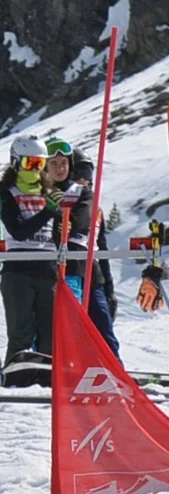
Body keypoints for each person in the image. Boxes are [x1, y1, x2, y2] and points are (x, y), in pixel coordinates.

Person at [44, 137, 120, 358]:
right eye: (81, 173)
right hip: (61, 268)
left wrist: (110, 289)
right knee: (65, 329)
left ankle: (114, 369)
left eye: (89, 173)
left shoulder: (92, 205)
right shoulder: (52, 195)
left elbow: (101, 248)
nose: (85, 179)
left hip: (90, 272)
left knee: (103, 329)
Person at [1, 136, 60, 364]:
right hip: (18, 270)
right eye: (30, 164)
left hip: (47, 269)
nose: (36, 169)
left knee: (49, 335)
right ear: (16, 162)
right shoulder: (7, 194)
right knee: (21, 333)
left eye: (40, 163)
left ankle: (46, 380)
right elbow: (18, 231)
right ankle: (14, 383)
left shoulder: (48, 192)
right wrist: (49, 211)